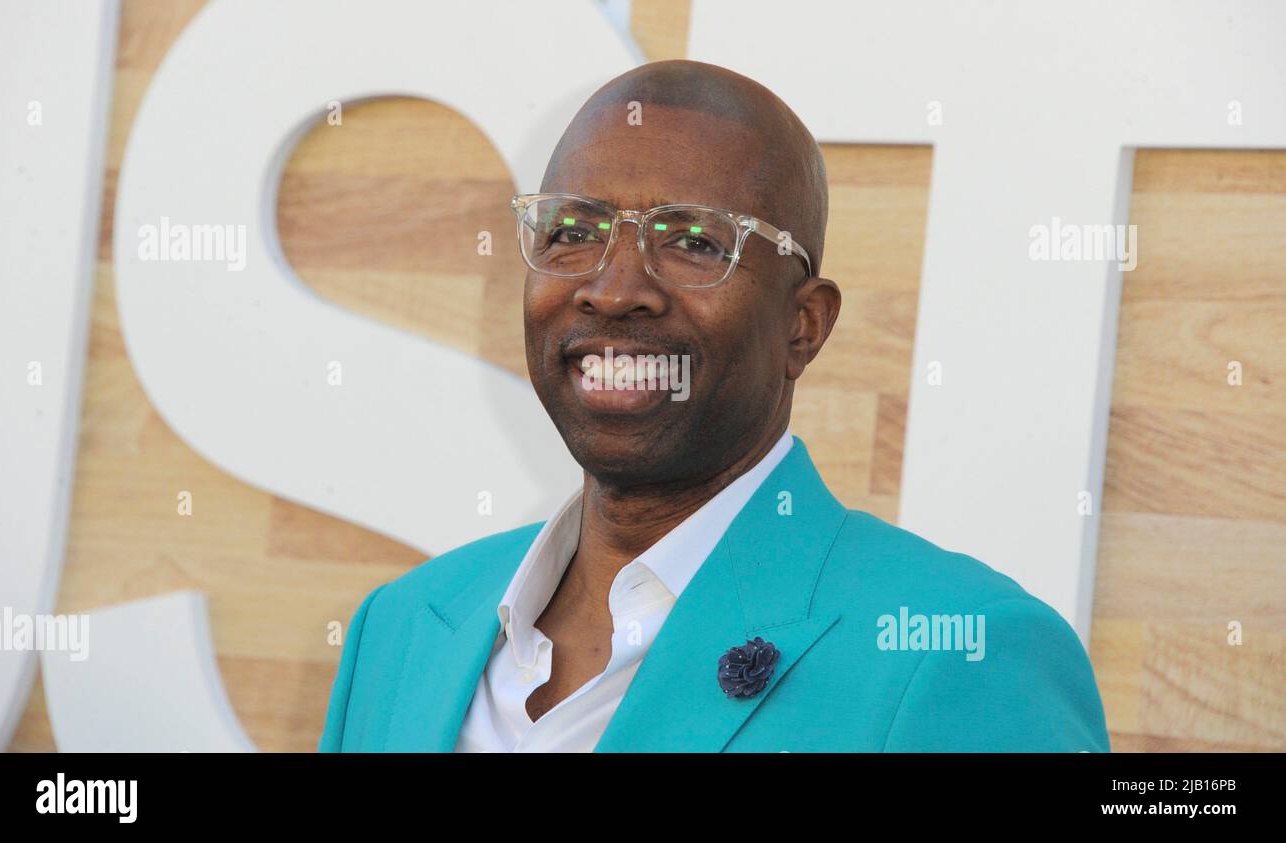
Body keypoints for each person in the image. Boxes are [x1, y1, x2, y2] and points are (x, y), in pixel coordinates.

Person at [318, 60, 1110, 753]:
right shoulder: (402, 627)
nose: (615, 288)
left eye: (694, 241)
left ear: (804, 325)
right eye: (573, 230)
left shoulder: (962, 654)